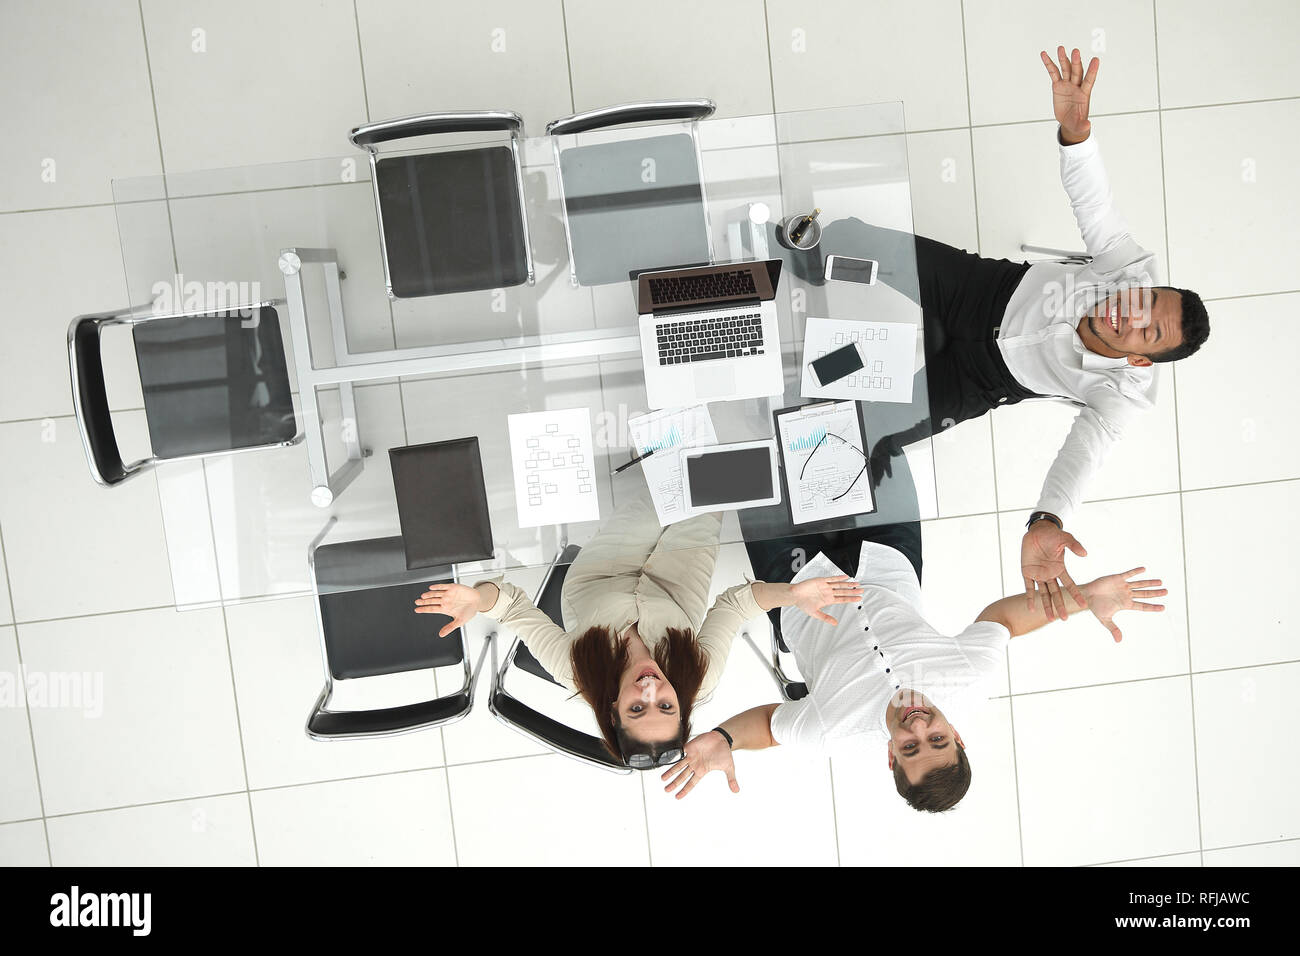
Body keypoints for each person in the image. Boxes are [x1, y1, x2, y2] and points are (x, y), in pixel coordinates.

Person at [786, 46, 1209, 626]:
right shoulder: (1129, 265)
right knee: (852, 240)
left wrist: (1048, 520)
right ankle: (789, 269)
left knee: (868, 435)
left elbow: (1081, 456)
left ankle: (800, 521)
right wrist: (1075, 133)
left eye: (1148, 331)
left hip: (985, 379)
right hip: (985, 292)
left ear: (1141, 360)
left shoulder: (1126, 395)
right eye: (1145, 301)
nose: (1130, 313)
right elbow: (1096, 204)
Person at [664, 518, 1166, 810]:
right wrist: (1083, 598)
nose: (920, 725)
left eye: (909, 746)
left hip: (796, 582)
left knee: (760, 462)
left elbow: (772, 726)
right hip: (888, 551)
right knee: (859, 401)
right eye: (938, 739)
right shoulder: (971, 681)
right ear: (959, 736)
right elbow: (1002, 619)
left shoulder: (831, 733)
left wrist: (725, 740)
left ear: (890, 757)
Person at [412, 489, 863, 769]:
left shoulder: (574, 670)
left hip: (599, 577)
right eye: (666, 705)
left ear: (612, 710)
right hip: (678, 582)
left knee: (662, 487)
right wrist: (791, 595)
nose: (652, 689)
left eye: (636, 708)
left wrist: (478, 598)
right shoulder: (700, 681)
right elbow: (736, 603)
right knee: (705, 485)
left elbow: (511, 607)